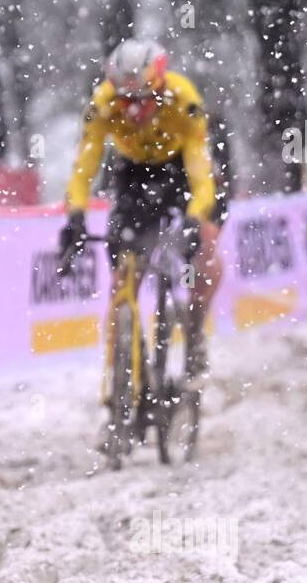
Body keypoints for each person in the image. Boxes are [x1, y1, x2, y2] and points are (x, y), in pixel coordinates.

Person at [59, 39, 218, 375]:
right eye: (125, 99)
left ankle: (194, 329)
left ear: (160, 87)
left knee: (205, 246)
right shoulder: (102, 105)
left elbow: (202, 180)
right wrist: (75, 214)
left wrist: (193, 219)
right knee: (123, 275)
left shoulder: (184, 100)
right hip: (134, 173)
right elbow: (83, 169)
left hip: (181, 170)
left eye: (144, 100)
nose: (133, 110)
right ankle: (118, 375)